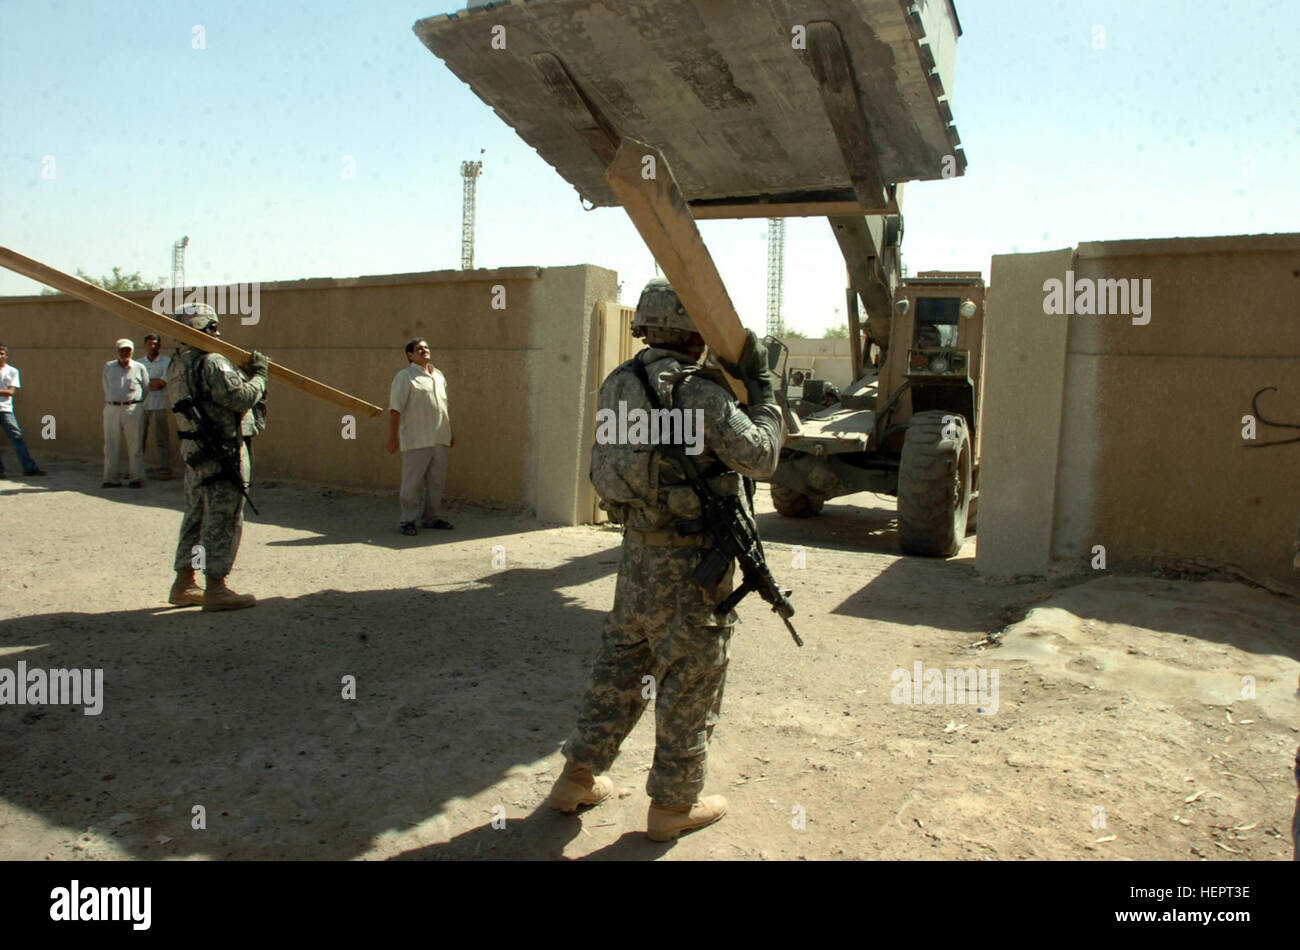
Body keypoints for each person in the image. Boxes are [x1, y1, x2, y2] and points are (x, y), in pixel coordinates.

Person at [547, 278, 783, 842]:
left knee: (621, 666)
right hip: (690, 566)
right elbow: (761, 458)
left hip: (636, 556)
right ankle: (673, 807)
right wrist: (766, 397)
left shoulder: (618, 382)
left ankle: (576, 780)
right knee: (691, 677)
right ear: (695, 332)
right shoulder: (699, 393)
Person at [166, 303, 269, 612]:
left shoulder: (176, 364)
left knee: (196, 515)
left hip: (195, 452)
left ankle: (185, 581)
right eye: (212, 327)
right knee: (223, 517)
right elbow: (239, 398)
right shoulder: (213, 362)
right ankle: (216, 586)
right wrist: (260, 376)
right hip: (222, 452)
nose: (216, 332)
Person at [386, 338, 454, 535]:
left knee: (436, 483)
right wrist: (393, 437)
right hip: (416, 438)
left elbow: (443, 407)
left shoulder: (438, 375)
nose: (424, 350)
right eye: (419, 348)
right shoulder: (404, 376)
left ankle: (431, 518)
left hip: (439, 438)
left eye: (426, 347)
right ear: (410, 355)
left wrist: (450, 433)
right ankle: (407, 521)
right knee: (412, 483)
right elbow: (395, 409)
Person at [102, 339, 150, 488]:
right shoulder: (109, 367)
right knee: (111, 444)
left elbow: (146, 387)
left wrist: (134, 401)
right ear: (117, 351)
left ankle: (136, 478)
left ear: (132, 351)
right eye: (122, 350)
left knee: (135, 445)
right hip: (112, 408)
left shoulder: (139, 367)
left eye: (128, 350)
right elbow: (105, 385)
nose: (125, 353)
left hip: (133, 408)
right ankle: (111, 478)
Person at [0, 344, 46, 478]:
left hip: (6, 410)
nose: (0, 356)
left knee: (17, 438)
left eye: (2, 353)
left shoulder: (12, 371)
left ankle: (29, 467)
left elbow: (10, 392)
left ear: (6, 355)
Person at [139, 332, 173, 480]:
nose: (152, 346)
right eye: (150, 343)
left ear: (160, 345)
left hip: (159, 405)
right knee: (139, 438)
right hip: (142, 405)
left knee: (162, 439)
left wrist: (149, 384)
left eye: (155, 343)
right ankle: (137, 468)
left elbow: (162, 383)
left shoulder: (167, 362)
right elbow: (138, 385)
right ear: (145, 345)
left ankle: (164, 468)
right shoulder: (139, 363)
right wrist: (152, 383)